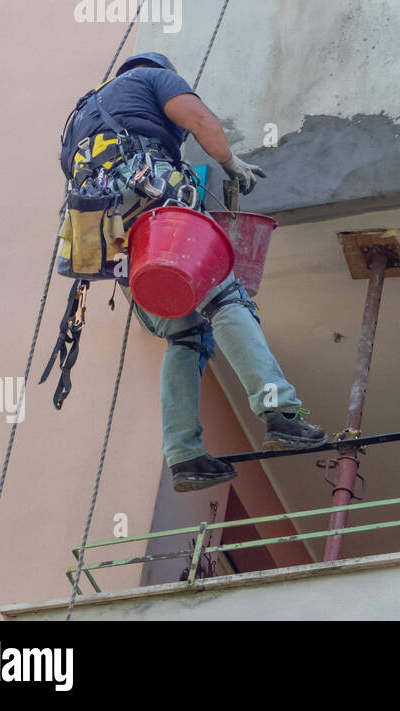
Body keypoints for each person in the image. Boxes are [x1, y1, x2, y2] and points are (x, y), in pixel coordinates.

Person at [59, 51, 326, 491]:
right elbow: (199, 119)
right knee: (225, 298)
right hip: (150, 199)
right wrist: (230, 163)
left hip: (107, 236)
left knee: (184, 333)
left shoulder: (80, 117)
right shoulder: (153, 78)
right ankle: (281, 412)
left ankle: (184, 456)